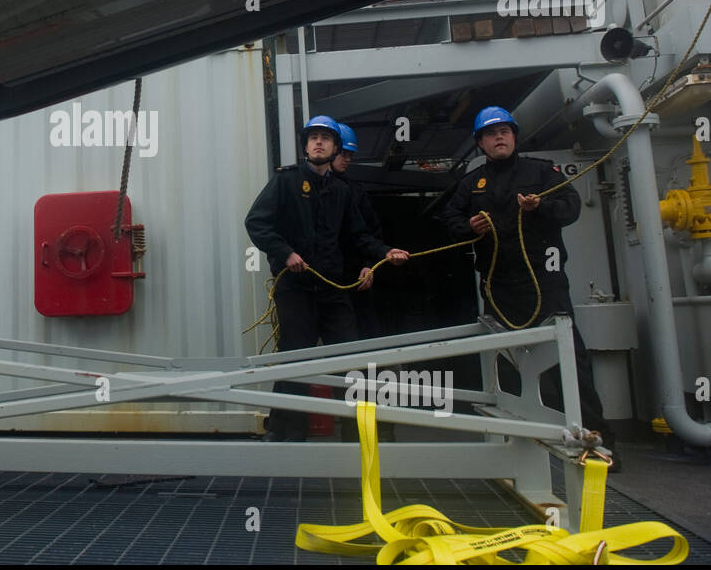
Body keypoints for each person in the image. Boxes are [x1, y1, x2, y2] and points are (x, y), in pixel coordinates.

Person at [438, 106, 616, 455]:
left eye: (505, 131)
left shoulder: (540, 172)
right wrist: (468, 226)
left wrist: (541, 208)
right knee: (504, 365)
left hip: (545, 284)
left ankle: (595, 440)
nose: (499, 137)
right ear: (481, 143)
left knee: (568, 362)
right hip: (498, 286)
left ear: (514, 136)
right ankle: (511, 443)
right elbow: (449, 218)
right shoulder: (472, 183)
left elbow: (570, 207)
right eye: (491, 134)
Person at [245, 114, 409, 441]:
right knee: (295, 358)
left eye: (326, 138)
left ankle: (357, 433)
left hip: (333, 292)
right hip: (296, 289)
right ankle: (285, 432)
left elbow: (357, 236)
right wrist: (285, 253)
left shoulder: (342, 192)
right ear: (306, 145)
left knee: (350, 359)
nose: (319, 142)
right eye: (313, 137)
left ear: (334, 148)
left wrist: (384, 253)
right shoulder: (285, 183)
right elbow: (257, 223)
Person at [331, 123, 383, 339]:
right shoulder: (302, 186)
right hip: (321, 279)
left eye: (350, 154)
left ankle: (372, 373)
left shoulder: (355, 191)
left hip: (354, 276)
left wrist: (369, 266)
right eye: (343, 153)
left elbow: (372, 231)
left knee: (365, 331)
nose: (348, 159)